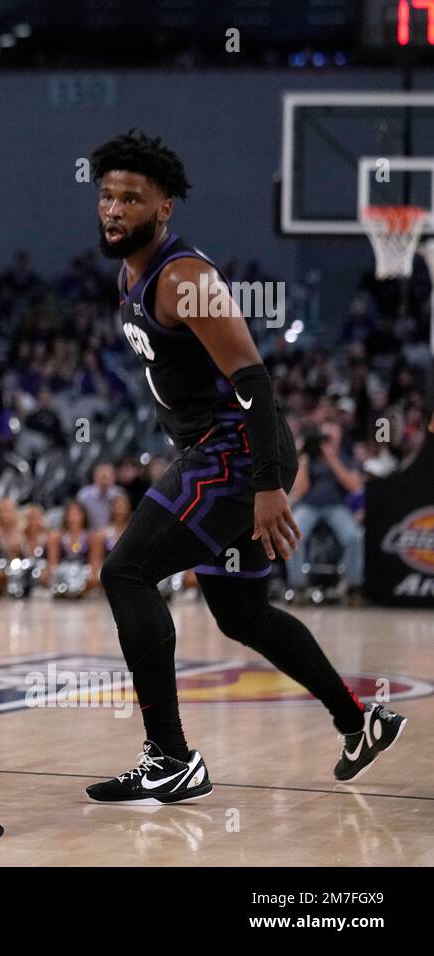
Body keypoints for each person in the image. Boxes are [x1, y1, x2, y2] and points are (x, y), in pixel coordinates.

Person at [85, 130, 405, 803]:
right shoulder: (130, 272)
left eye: (131, 198)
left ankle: (170, 757)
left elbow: (254, 380)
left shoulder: (184, 278)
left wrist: (266, 486)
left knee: (126, 571)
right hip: (215, 453)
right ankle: (360, 723)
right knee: (244, 616)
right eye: (107, 196)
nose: (114, 209)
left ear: (164, 207)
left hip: (234, 452)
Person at [286, 420, 364, 594]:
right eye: (325, 437)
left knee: (354, 537)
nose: (328, 441)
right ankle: (298, 586)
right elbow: (300, 490)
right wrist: (303, 457)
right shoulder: (309, 459)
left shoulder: (345, 457)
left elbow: (354, 487)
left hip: (337, 506)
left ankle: (352, 586)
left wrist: (332, 459)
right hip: (309, 506)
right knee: (292, 535)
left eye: (333, 436)